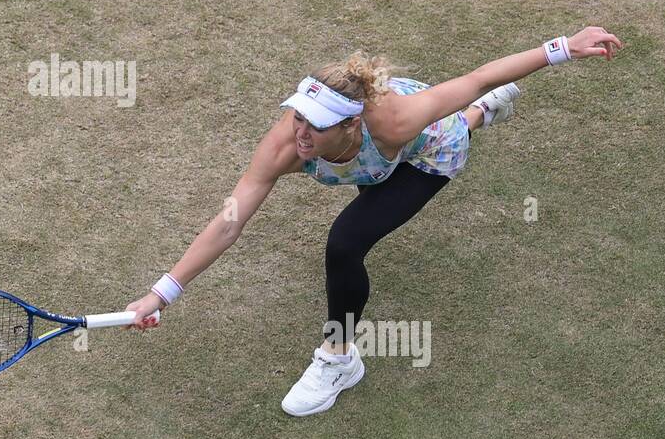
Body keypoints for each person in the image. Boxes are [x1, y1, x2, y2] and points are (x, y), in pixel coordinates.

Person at [124, 27, 623, 416]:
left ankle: (339, 359)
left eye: (315, 127)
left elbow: (477, 77)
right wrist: (162, 292)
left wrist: (565, 48)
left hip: (428, 152)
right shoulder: (287, 142)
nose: (301, 133)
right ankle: (482, 115)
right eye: (299, 117)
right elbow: (229, 222)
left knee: (345, 242)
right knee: (371, 190)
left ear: (351, 125)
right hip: (372, 160)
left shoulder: (395, 120)